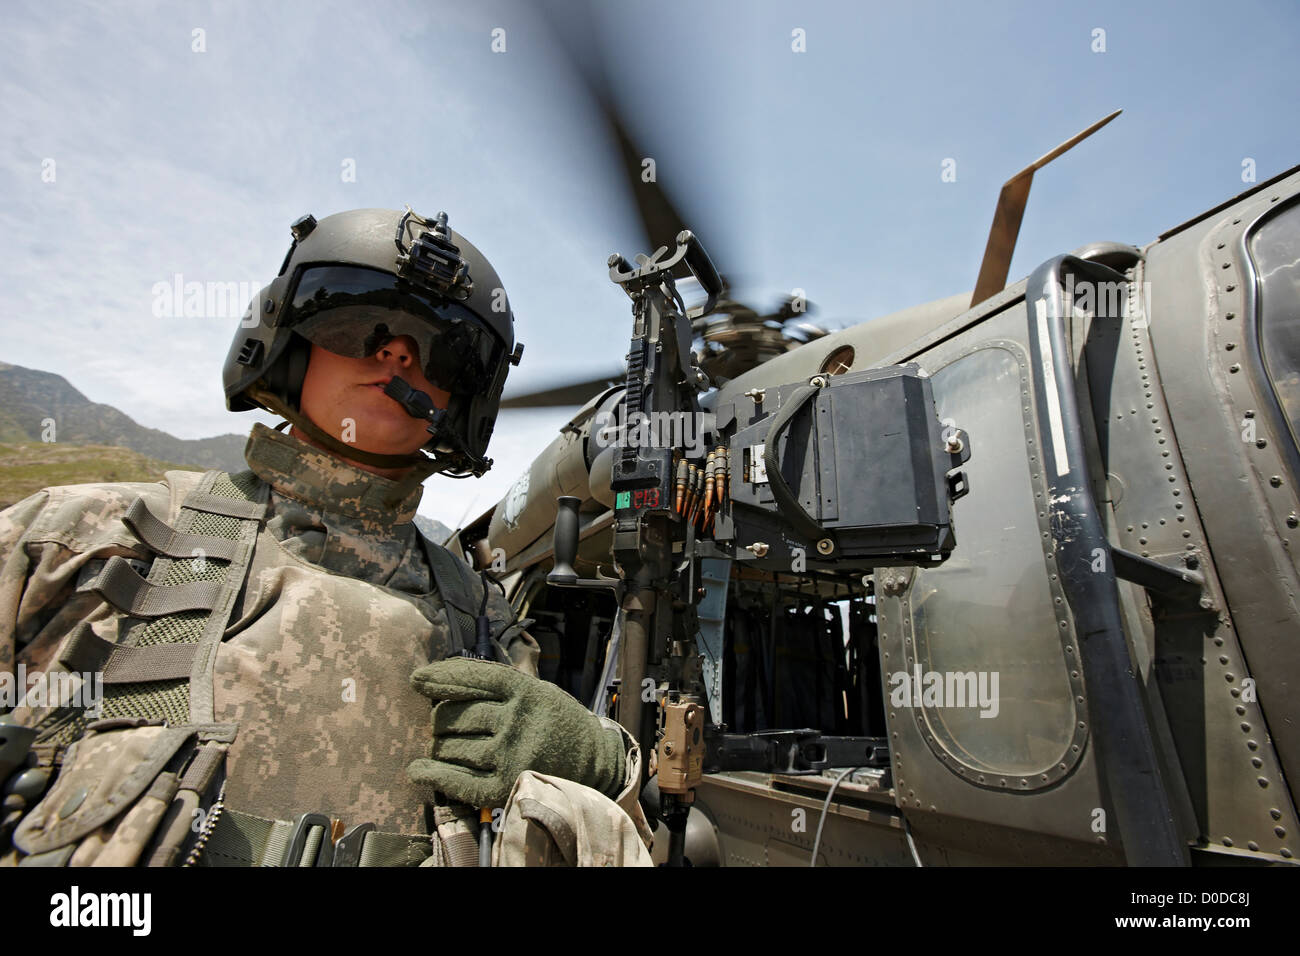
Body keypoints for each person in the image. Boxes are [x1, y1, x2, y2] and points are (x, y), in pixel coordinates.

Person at [0, 207, 652, 867]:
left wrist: (598, 760)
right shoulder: (80, 538)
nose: (398, 354)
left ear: (463, 403)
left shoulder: (483, 619)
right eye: (352, 319)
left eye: (444, 350)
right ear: (288, 335)